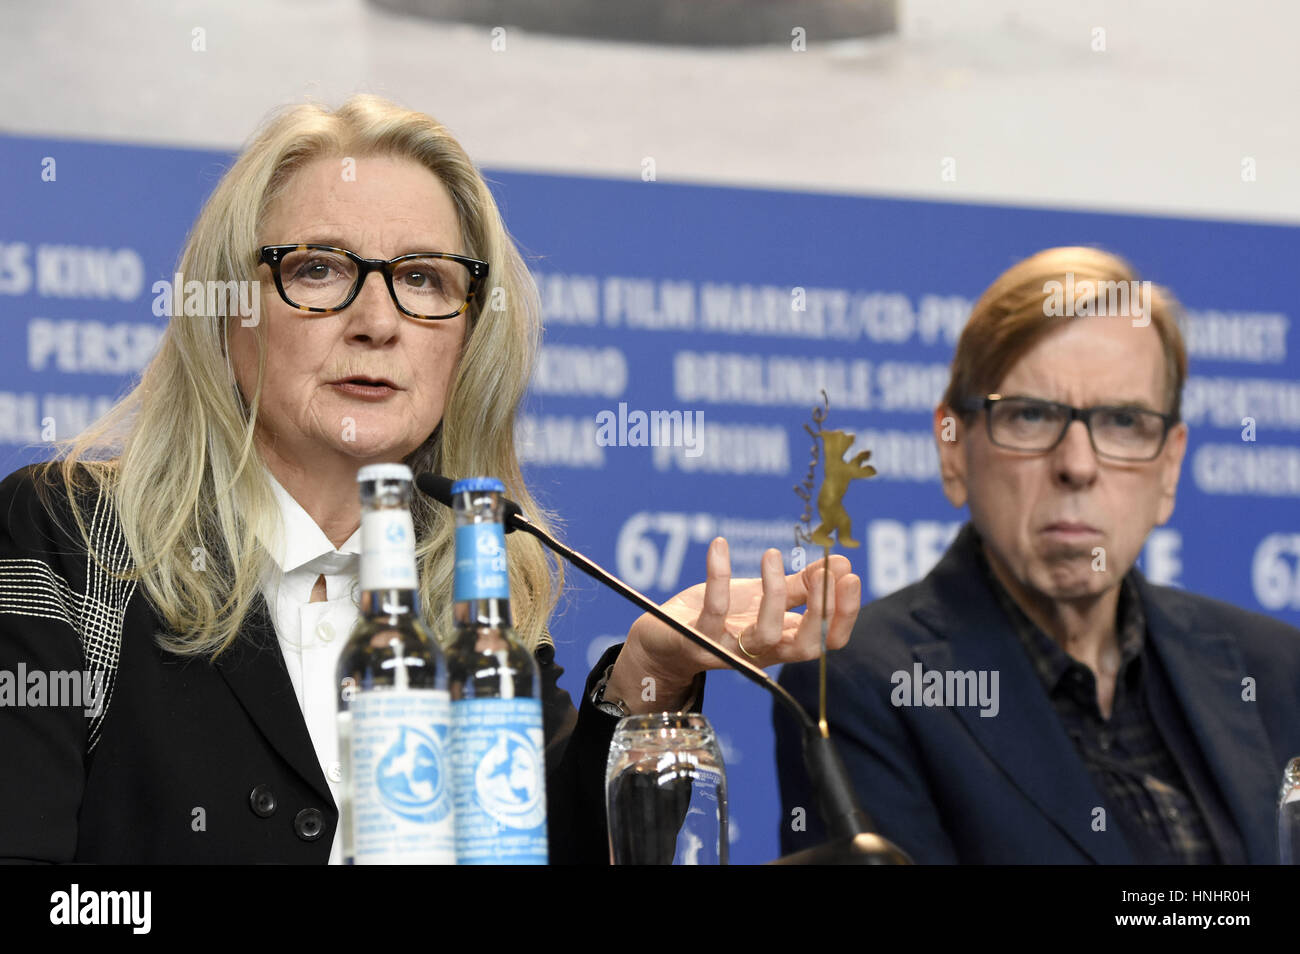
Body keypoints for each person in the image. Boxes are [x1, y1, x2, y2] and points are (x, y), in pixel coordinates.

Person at [0, 95, 861, 864]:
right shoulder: (74, 540)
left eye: (421, 280)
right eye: (318, 269)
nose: (378, 322)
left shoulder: (475, 590)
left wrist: (647, 674)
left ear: (467, 339)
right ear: (230, 311)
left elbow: (549, 846)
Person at [776, 246, 1300, 864]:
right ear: (953, 451)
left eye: (1124, 422)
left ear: (1169, 467)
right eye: (1030, 415)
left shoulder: (1277, 671)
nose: (1077, 465)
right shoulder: (860, 687)